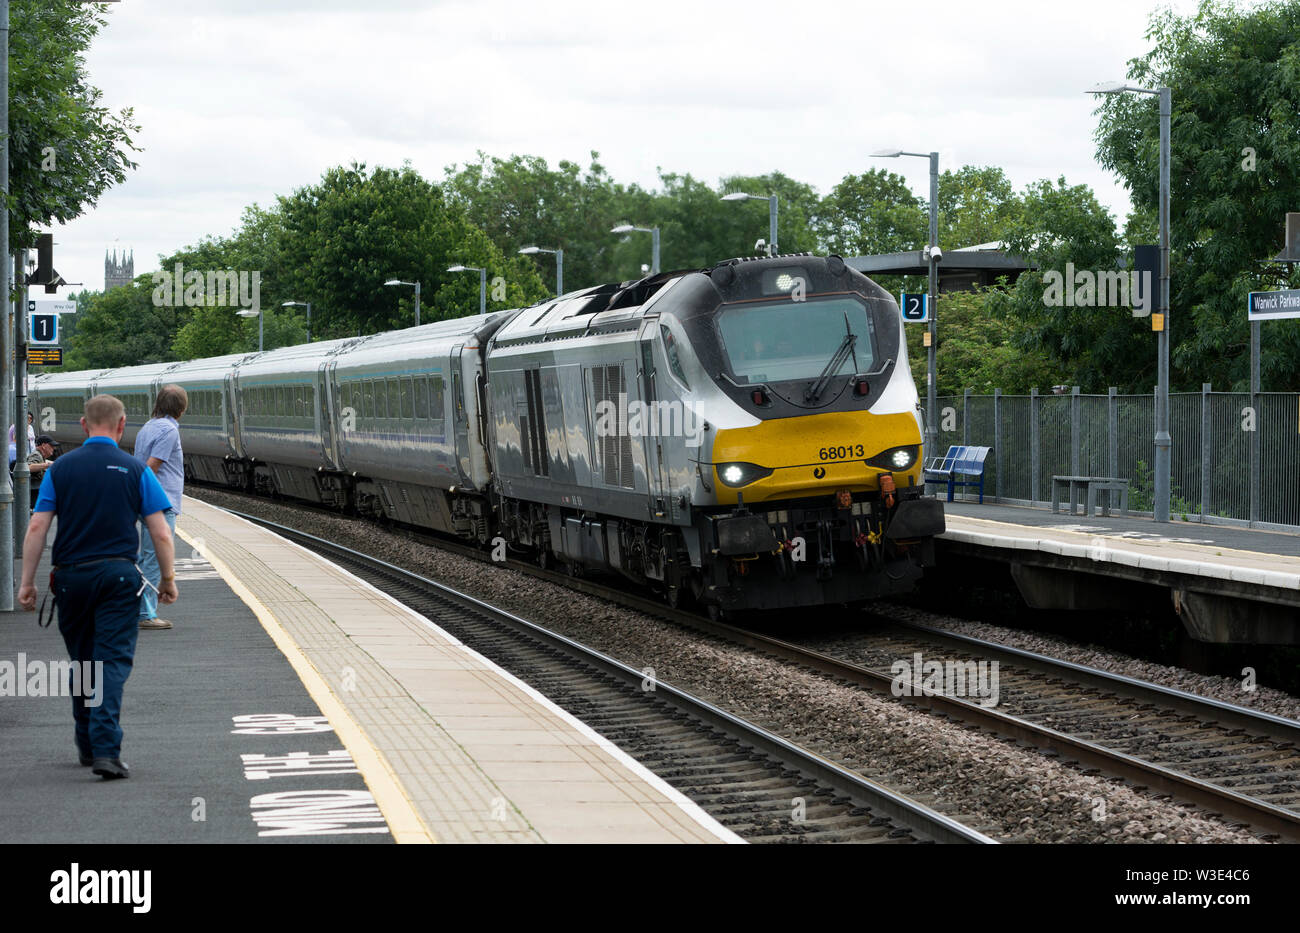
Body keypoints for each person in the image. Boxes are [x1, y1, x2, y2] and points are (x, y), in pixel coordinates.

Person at [17, 394, 178, 780]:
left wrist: (26, 583)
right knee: (110, 662)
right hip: (119, 578)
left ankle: (88, 745)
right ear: (122, 427)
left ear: (84, 426)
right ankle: (106, 749)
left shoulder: (62, 469)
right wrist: (168, 580)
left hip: (70, 579)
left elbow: (38, 526)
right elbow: (160, 531)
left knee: (85, 662)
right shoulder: (136, 471)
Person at [133, 384, 187, 630]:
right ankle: (145, 613)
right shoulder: (169, 431)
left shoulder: (148, 426)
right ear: (181, 408)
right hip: (160, 501)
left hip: (148, 500)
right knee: (154, 558)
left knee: (146, 557)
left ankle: (139, 609)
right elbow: (152, 465)